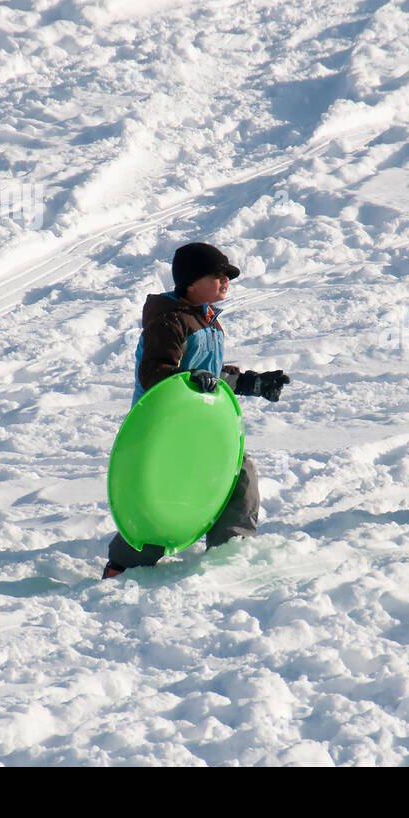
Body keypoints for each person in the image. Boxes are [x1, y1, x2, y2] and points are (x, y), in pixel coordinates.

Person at [101, 242, 290, 578]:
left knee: (237, 474)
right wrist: (189, 378)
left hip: (200, 428)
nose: (225, 282)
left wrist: (252, 383)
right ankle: (124, 563)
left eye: (227, 276)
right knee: (164, 492)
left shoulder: (208, 323)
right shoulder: (170, 322)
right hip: (165, 428)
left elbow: (213, 379)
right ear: (190, 282)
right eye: (216, 276)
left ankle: (230, 550)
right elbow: (154, 371)